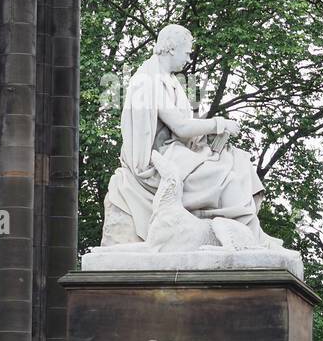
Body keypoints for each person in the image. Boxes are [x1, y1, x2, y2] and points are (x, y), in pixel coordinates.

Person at [102, 24, 277, 247]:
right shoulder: (148, 80)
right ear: (172, 48)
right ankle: (248, 238)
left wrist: (210, 137)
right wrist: (218, 124)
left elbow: (184, 128)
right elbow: (181, 127)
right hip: (159, 158)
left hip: (178, 149)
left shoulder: (170, 80)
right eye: (186, 51)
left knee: (239, 161)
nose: (188, 57)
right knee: (226, 177)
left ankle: (252, 233)